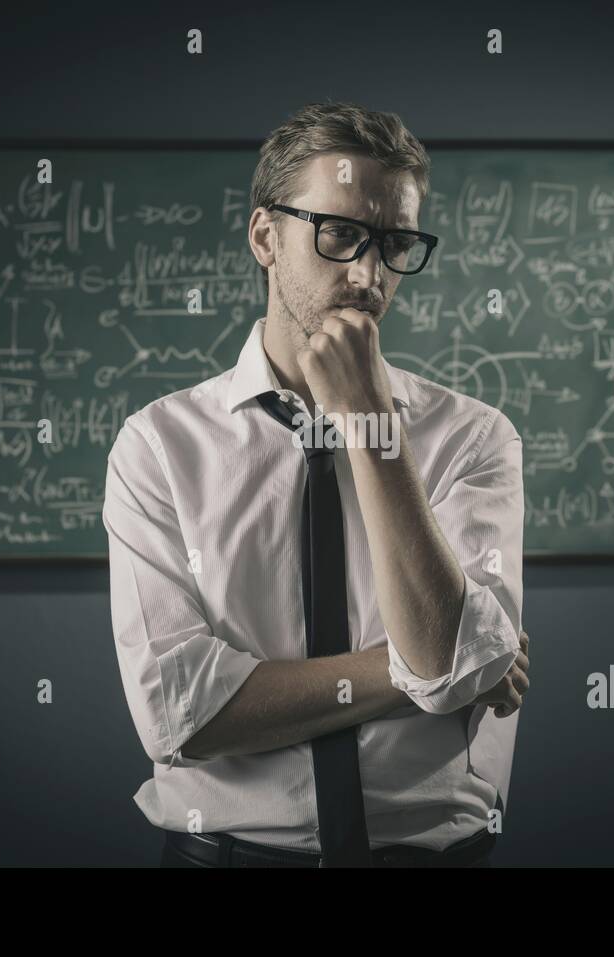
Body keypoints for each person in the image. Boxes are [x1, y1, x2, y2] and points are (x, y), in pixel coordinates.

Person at [103, 102, 530, 868]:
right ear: (266, 237)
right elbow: (182, 713)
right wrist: (434, 667)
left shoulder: (476, 438)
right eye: (340, 235)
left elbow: (453, 656)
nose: (369, 275)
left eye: (395, 243)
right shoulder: (157, 447)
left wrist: (371, 424)